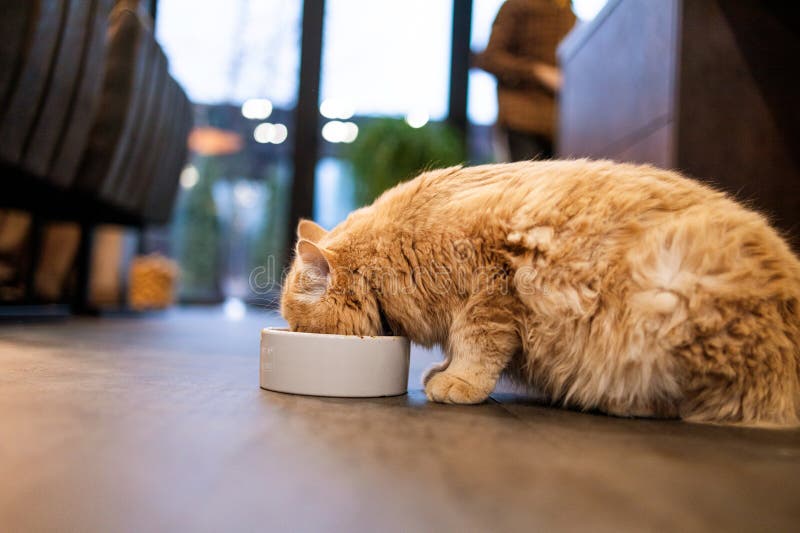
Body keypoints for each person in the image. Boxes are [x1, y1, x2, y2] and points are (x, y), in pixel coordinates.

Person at [475, 0, 575, 161]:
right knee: (527, 183)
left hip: (559, 125)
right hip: (522, 118)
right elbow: (490, 58)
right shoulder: (517, 4)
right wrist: (538, 72)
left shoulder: (568, 12)